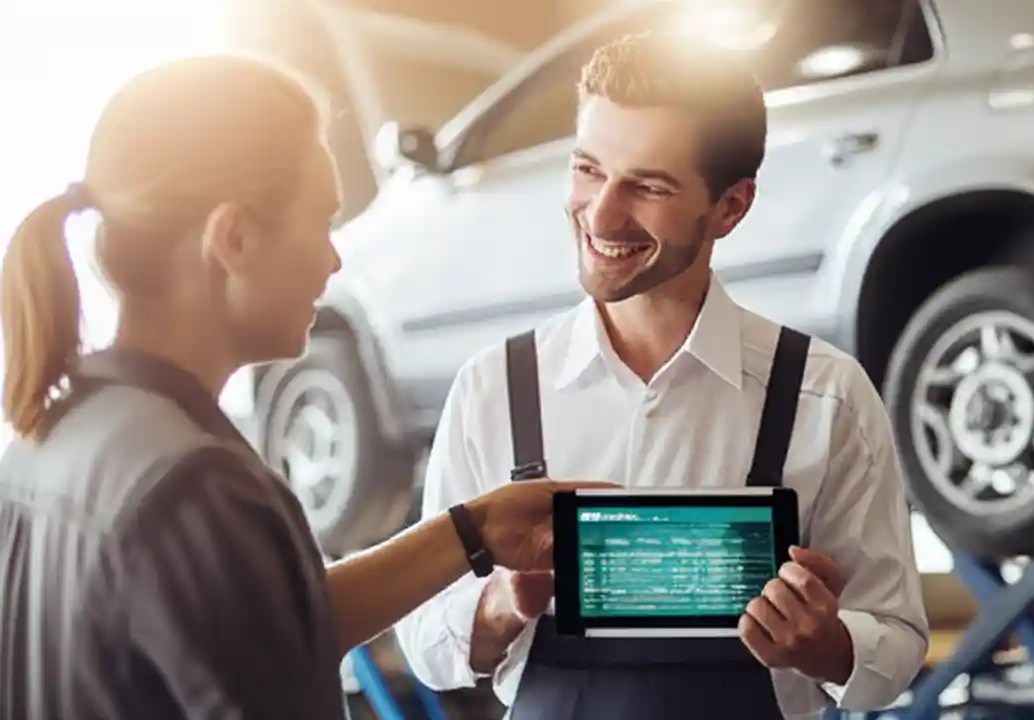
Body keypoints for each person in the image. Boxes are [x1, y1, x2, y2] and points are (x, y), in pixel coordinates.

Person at [0, 55, 605, 719]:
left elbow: (254, 631)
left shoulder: (56, 435)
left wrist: (474, 530)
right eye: (321, 221)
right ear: (232, 238)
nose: (334, 257)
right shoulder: (193, 488)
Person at [396, 33, 928, 719]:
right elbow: (425, 645)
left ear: (731, 207)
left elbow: (896, 645)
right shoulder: (493, 389)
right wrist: (502, 604)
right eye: (588, 169)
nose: (602, 213)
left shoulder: (824, 398)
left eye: (646, 186)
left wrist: (825, 645)